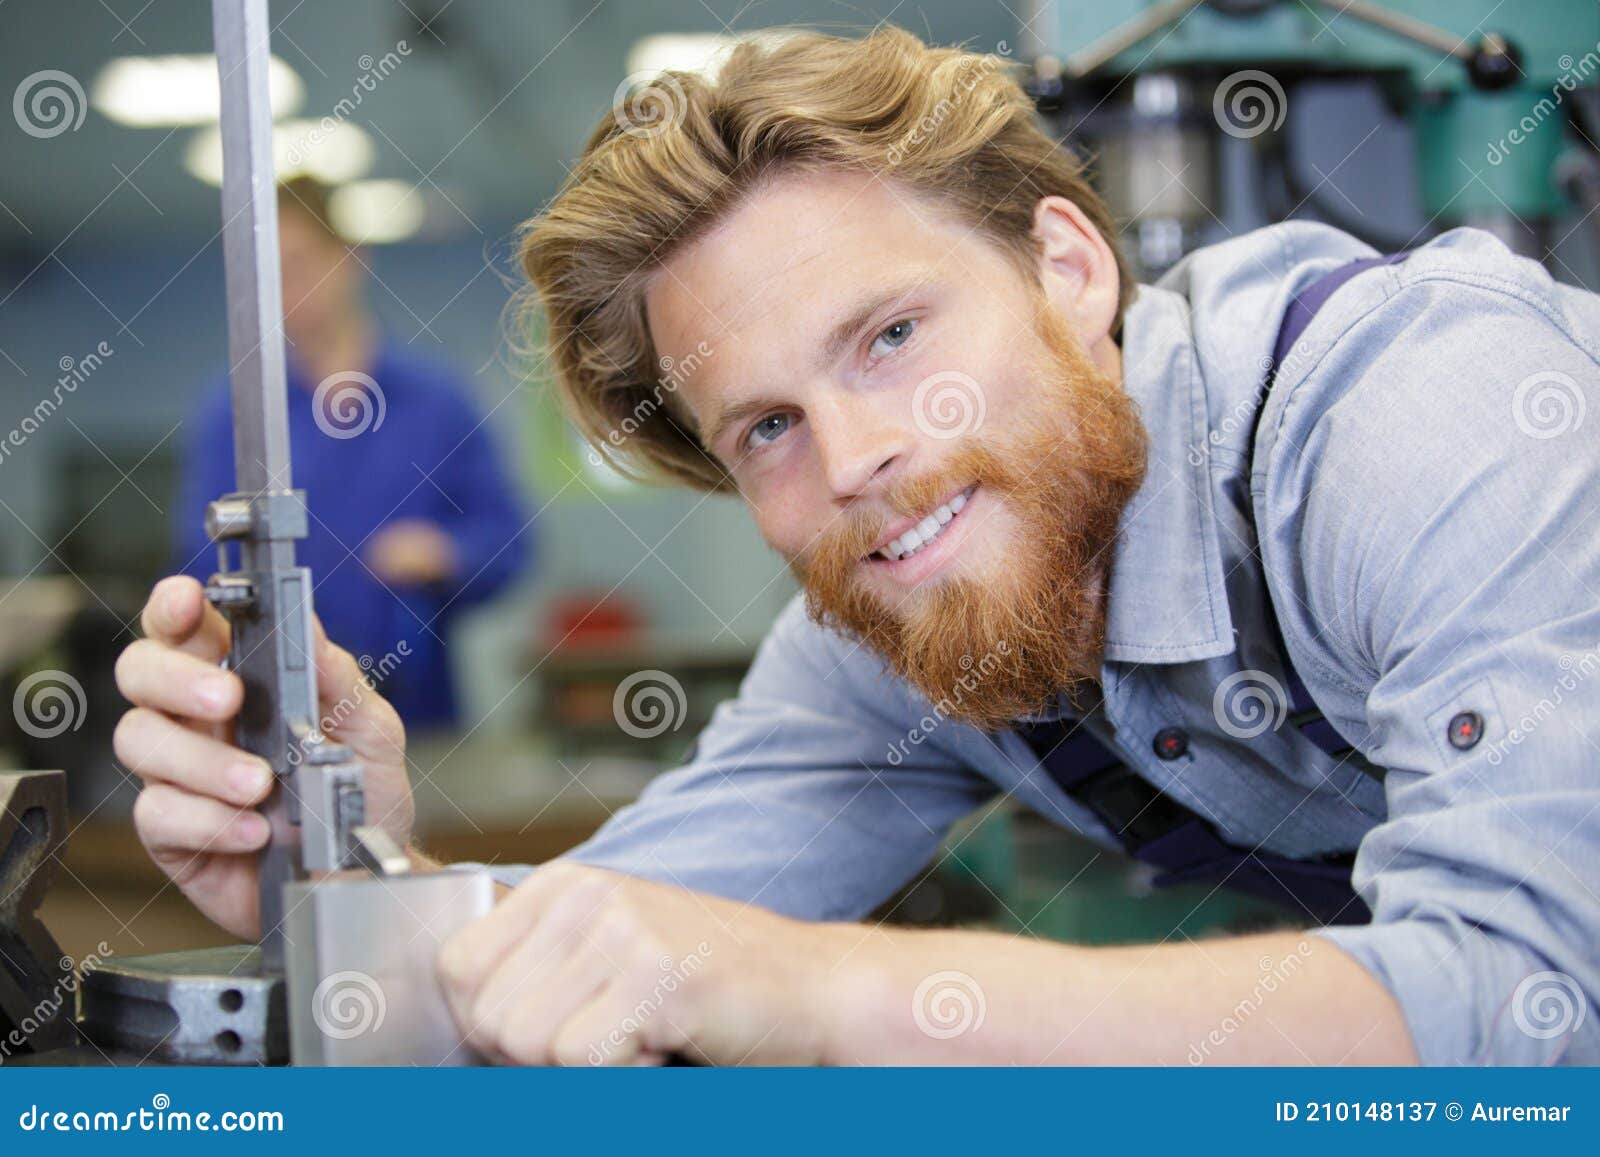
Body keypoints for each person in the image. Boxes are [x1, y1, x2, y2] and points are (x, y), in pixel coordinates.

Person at [119, 30, 1596, 1066]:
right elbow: (618, 945)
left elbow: (1537, 1014)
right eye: (765, 426)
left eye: (892, 336)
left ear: (1070, 269)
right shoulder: (899, 615)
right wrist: (360, 891)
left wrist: (829, 995)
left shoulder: (1411, 409)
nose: (857, 463)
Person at [173, 177, 532, 730]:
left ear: (350, 259)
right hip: (278, 714)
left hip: (417, 714)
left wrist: (446, 553)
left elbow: (510, 541)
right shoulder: (235, 412)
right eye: (261, 274)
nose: (283, 289)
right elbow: (200, 559)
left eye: (297, 262)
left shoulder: (436, 401)